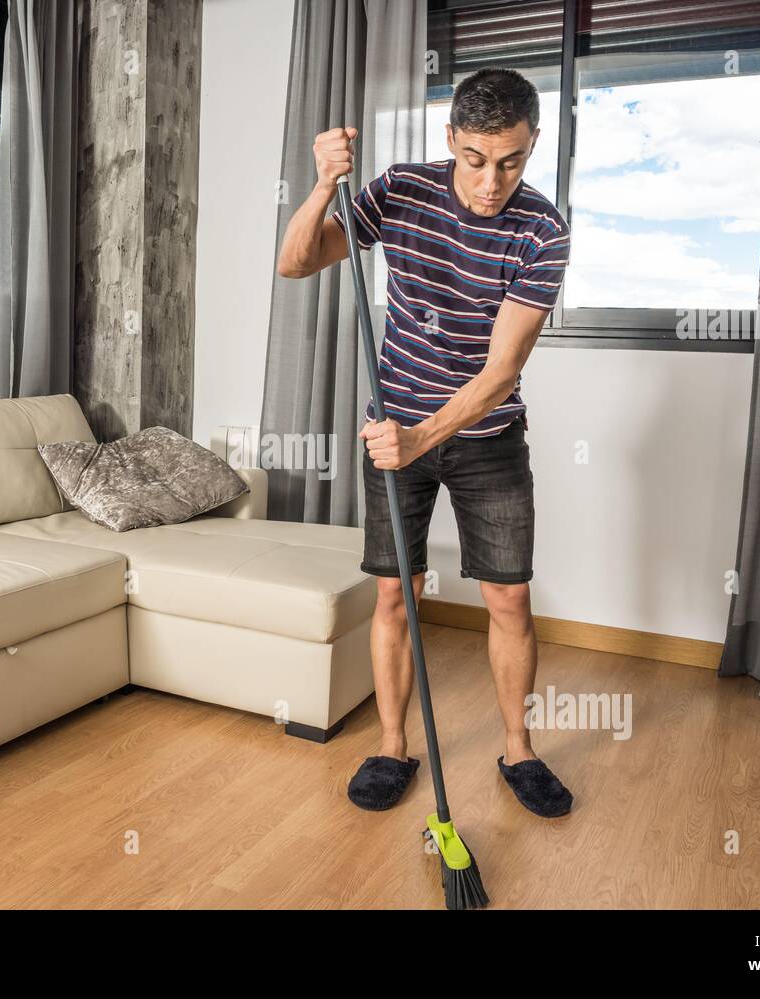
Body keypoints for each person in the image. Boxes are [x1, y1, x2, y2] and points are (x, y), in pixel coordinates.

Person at [276, 68, 574, 818]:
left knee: (508, 597)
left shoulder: (544, 228)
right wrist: (321, 187)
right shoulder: (401, 189)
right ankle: (391, 745)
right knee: (394, 594)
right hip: (393, 433)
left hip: (486, 435)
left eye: (510, 160)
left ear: (533, 145)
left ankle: (519, 749)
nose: (490, 180)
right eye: (475, 158)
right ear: (450, 142)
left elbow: (502, 372)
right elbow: (297, 261)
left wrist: (424, 437)